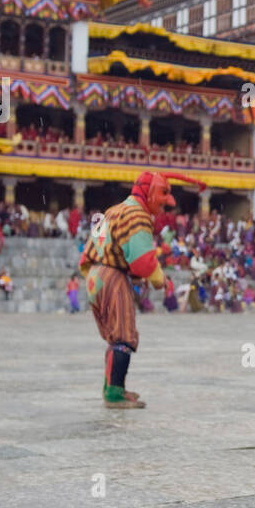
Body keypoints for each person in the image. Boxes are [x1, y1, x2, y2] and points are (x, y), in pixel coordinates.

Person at [80, 171, 198, 407]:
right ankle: (114, 394)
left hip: (95, 275)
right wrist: (159, 280)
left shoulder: (114, 209)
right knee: (124, 335)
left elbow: (97, 248)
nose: (166, 203)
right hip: (111, 276)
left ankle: (114, 389)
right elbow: (143, 261)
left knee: (115, 335)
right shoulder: (137, 214)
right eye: (163, 194)